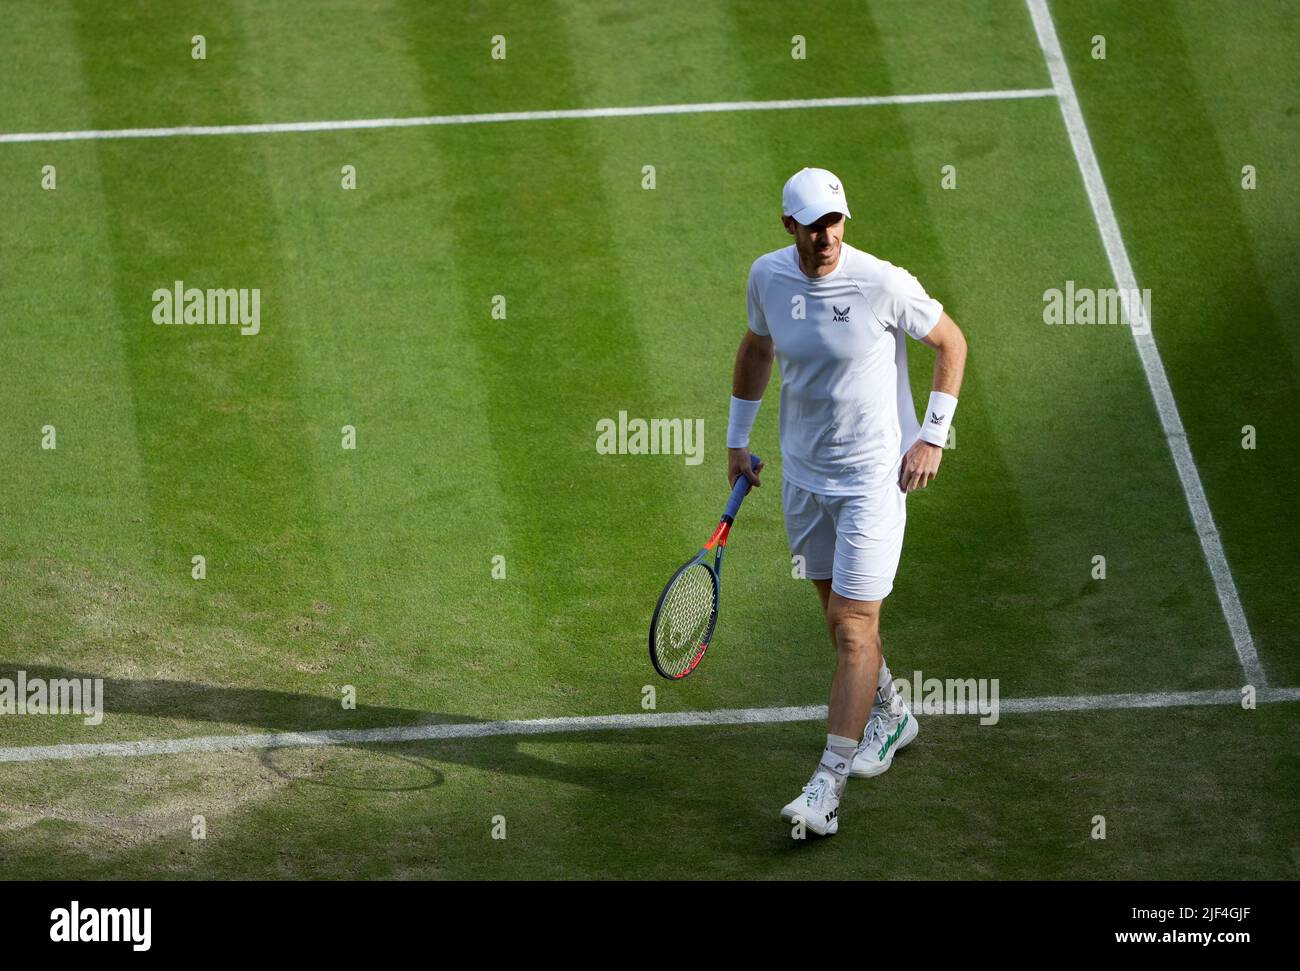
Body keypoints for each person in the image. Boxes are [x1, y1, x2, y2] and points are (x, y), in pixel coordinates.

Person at [726, 167, 968, 836]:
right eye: (812, 224)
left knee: (856, 627)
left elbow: (951, 343)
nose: (825, 235)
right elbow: (757, 346)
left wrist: (932, 437)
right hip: (804, 480)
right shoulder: (768, 277)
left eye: (834, 222)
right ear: (789, 227)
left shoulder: (882, 282)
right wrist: (736, 441)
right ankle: (891, 712)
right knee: (838, 622)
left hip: (871, 482)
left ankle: (826, 787)